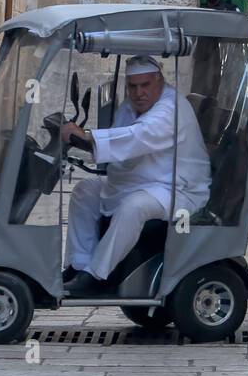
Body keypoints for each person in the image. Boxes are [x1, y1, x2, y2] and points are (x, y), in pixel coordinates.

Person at [60, 55, 211, 292]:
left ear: (159, 82)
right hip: (139, 182)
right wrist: (85, 138)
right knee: (85, 190)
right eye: (133, 86)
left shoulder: (171, 109)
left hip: (176, 188)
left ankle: (96, 275)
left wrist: (85, 138)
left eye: (145, 85)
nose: (139, 92)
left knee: (134, 206)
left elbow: (137, 137)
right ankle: (78, 264)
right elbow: (119, 137)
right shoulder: (130, 106)